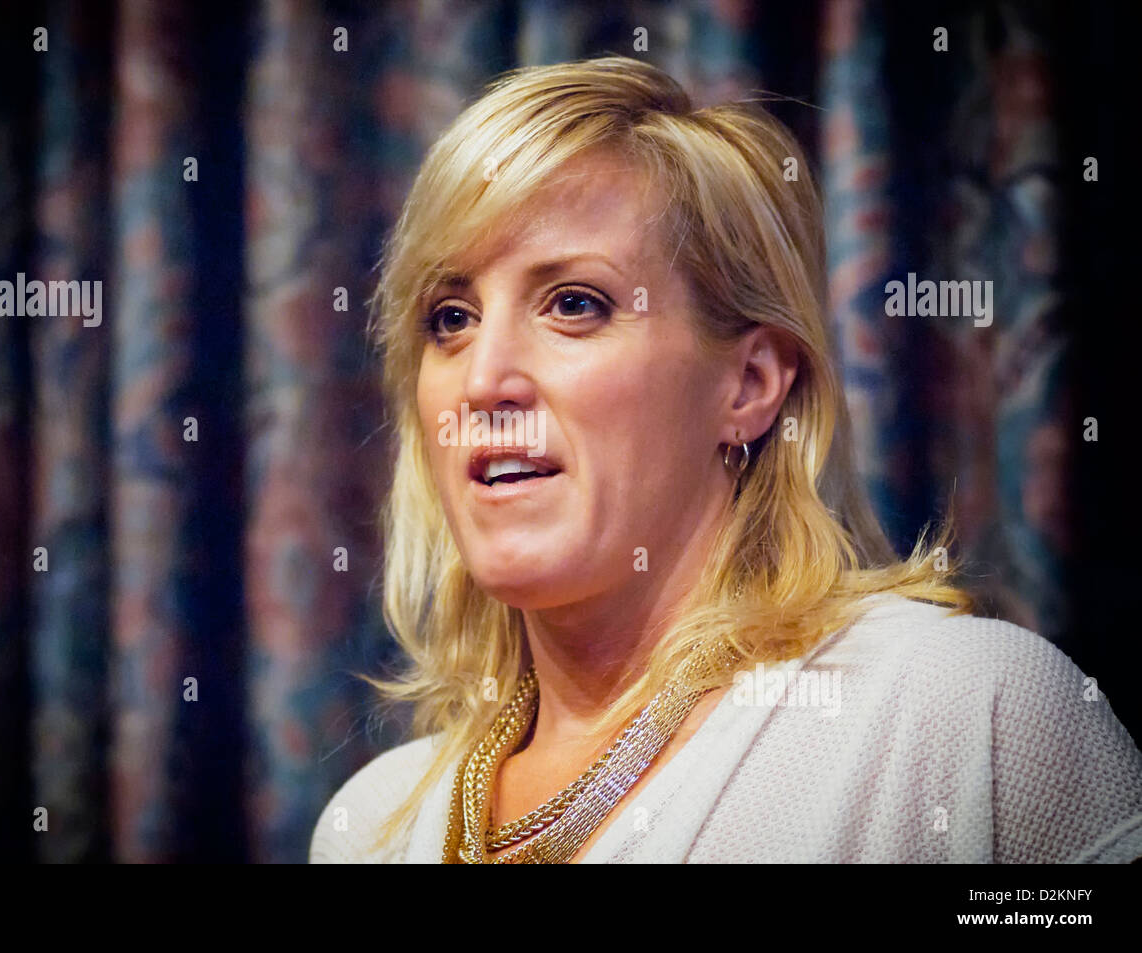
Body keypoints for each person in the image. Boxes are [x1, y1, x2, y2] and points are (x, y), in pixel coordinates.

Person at [309, 56, 1142, 863]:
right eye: (450, 318)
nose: (484, 379)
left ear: (748, 385)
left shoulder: (967, 715)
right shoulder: (369, 825)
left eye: (574, 304)